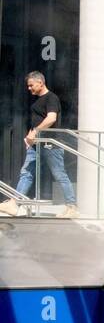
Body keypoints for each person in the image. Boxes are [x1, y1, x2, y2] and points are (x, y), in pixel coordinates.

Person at [0, 71, 78, 219]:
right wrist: (29, 136)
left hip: (50, 144)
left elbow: (51, 118)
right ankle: (14, 203)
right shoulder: (37, 100)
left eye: (31, 85)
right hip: (36, 144)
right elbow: (39, 120)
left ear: (40, 83)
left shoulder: (51, 98)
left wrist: (34, 132)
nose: (29, 88)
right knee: (27, 173)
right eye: (28, 86)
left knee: (59, 174)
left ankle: (72, 207)